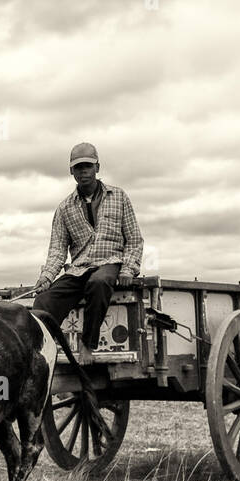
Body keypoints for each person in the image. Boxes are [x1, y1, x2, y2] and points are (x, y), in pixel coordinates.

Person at [32, 142, 144, 361]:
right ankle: (42, 350)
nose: (83, 171)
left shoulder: (119, 197)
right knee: (44, 302)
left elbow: (134, 240)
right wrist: (46, 276)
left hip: (110, 262)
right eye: (78, 167)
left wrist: (128, 269)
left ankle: (88, 345)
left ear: (97, 167)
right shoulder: (65, 208)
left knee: (99, 282)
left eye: (88, 166)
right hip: (79, 269)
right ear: (71, 171)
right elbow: (57, 249)